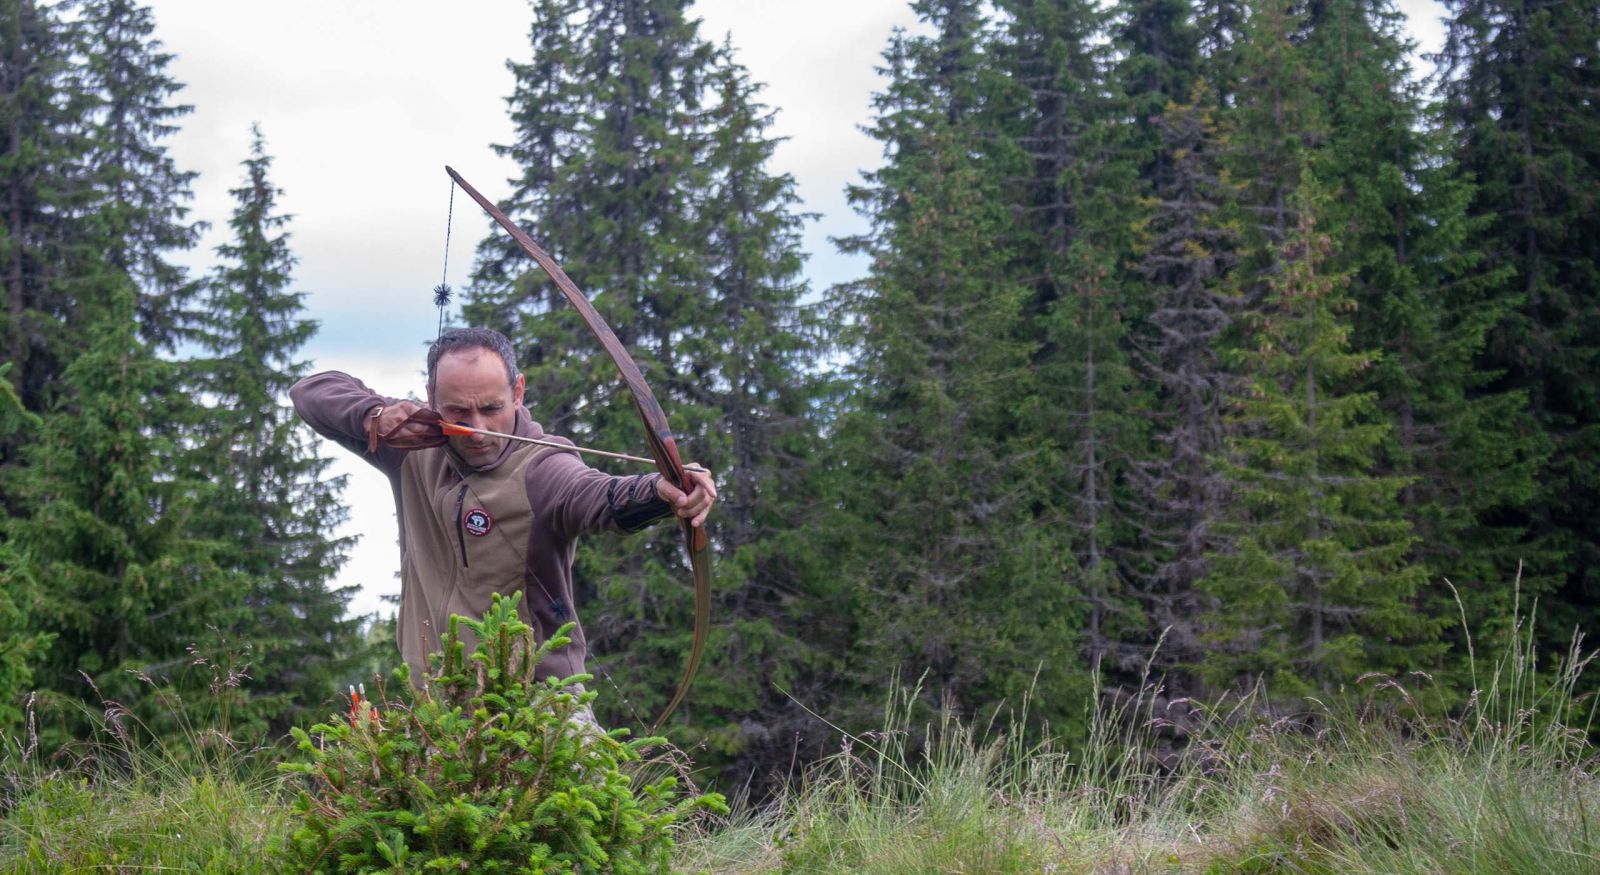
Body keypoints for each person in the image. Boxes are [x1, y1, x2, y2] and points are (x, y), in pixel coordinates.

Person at [290, 327, 716, 692]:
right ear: (431, 399)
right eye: (458, 411)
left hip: (539, 699)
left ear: (518, 392)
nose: (477, 429)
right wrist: (373, 416)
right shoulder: (410, 444)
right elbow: (310, 392)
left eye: (491, 408)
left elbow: (599, 496)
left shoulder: (544, 468)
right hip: (434, 698)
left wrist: (660, 491)